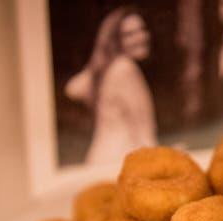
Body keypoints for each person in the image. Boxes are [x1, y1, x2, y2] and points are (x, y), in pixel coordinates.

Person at [65, 7, 157, 165]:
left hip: (100, 156)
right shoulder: (124, 69)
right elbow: (144, 130)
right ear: (115, 40)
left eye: (142, 29)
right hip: (123, 160)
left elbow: (73, 89)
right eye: (129, 34)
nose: (141, 37)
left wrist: (97, 62)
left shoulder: (108, 68)